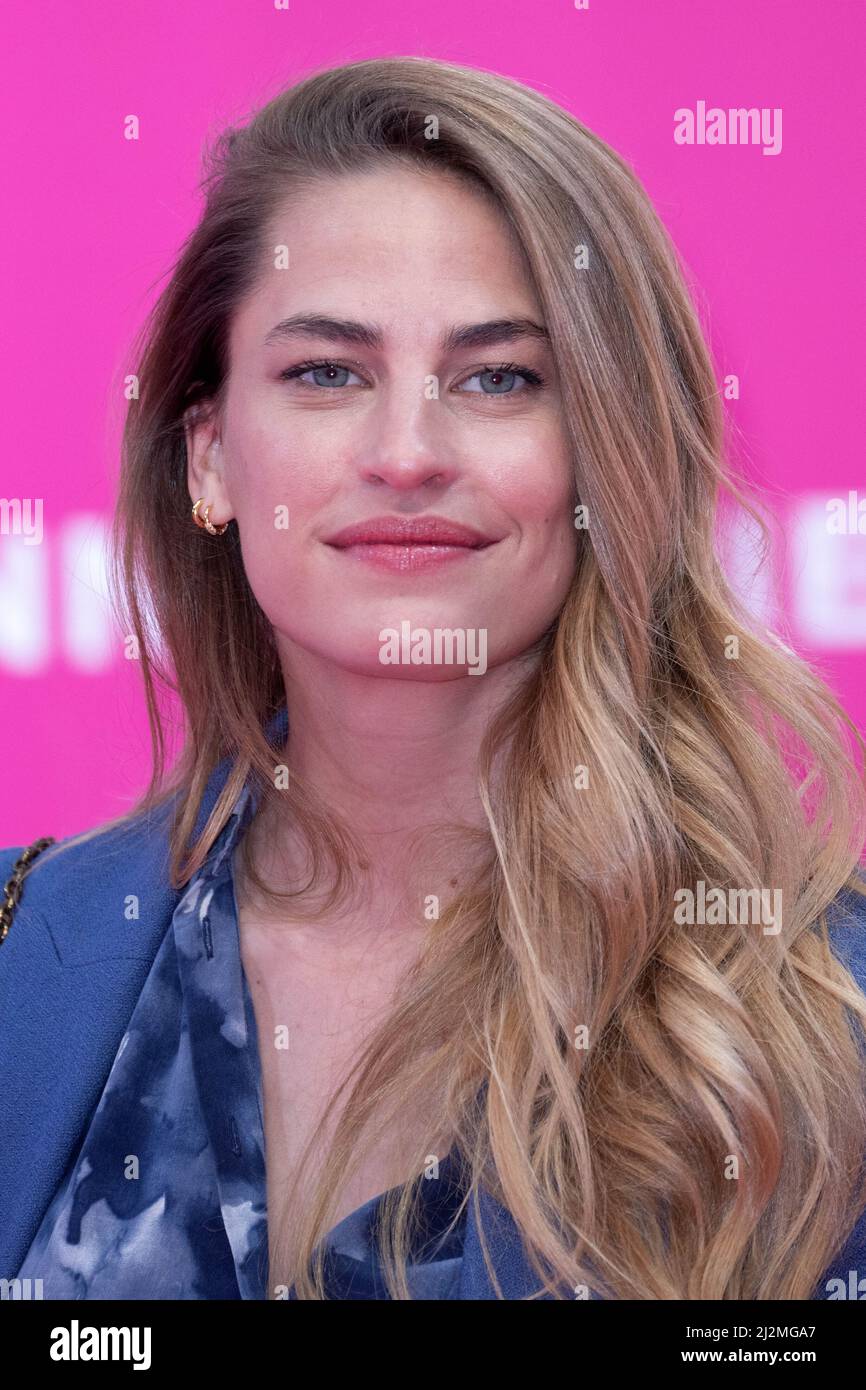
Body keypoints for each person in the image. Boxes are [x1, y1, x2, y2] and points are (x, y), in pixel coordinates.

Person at [1, 54, 865, 1302]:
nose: (406, 452)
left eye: (499, 377)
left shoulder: (819, 1011)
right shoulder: (25, 953)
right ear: (210, 460)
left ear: (603, 457)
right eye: (326, 373)